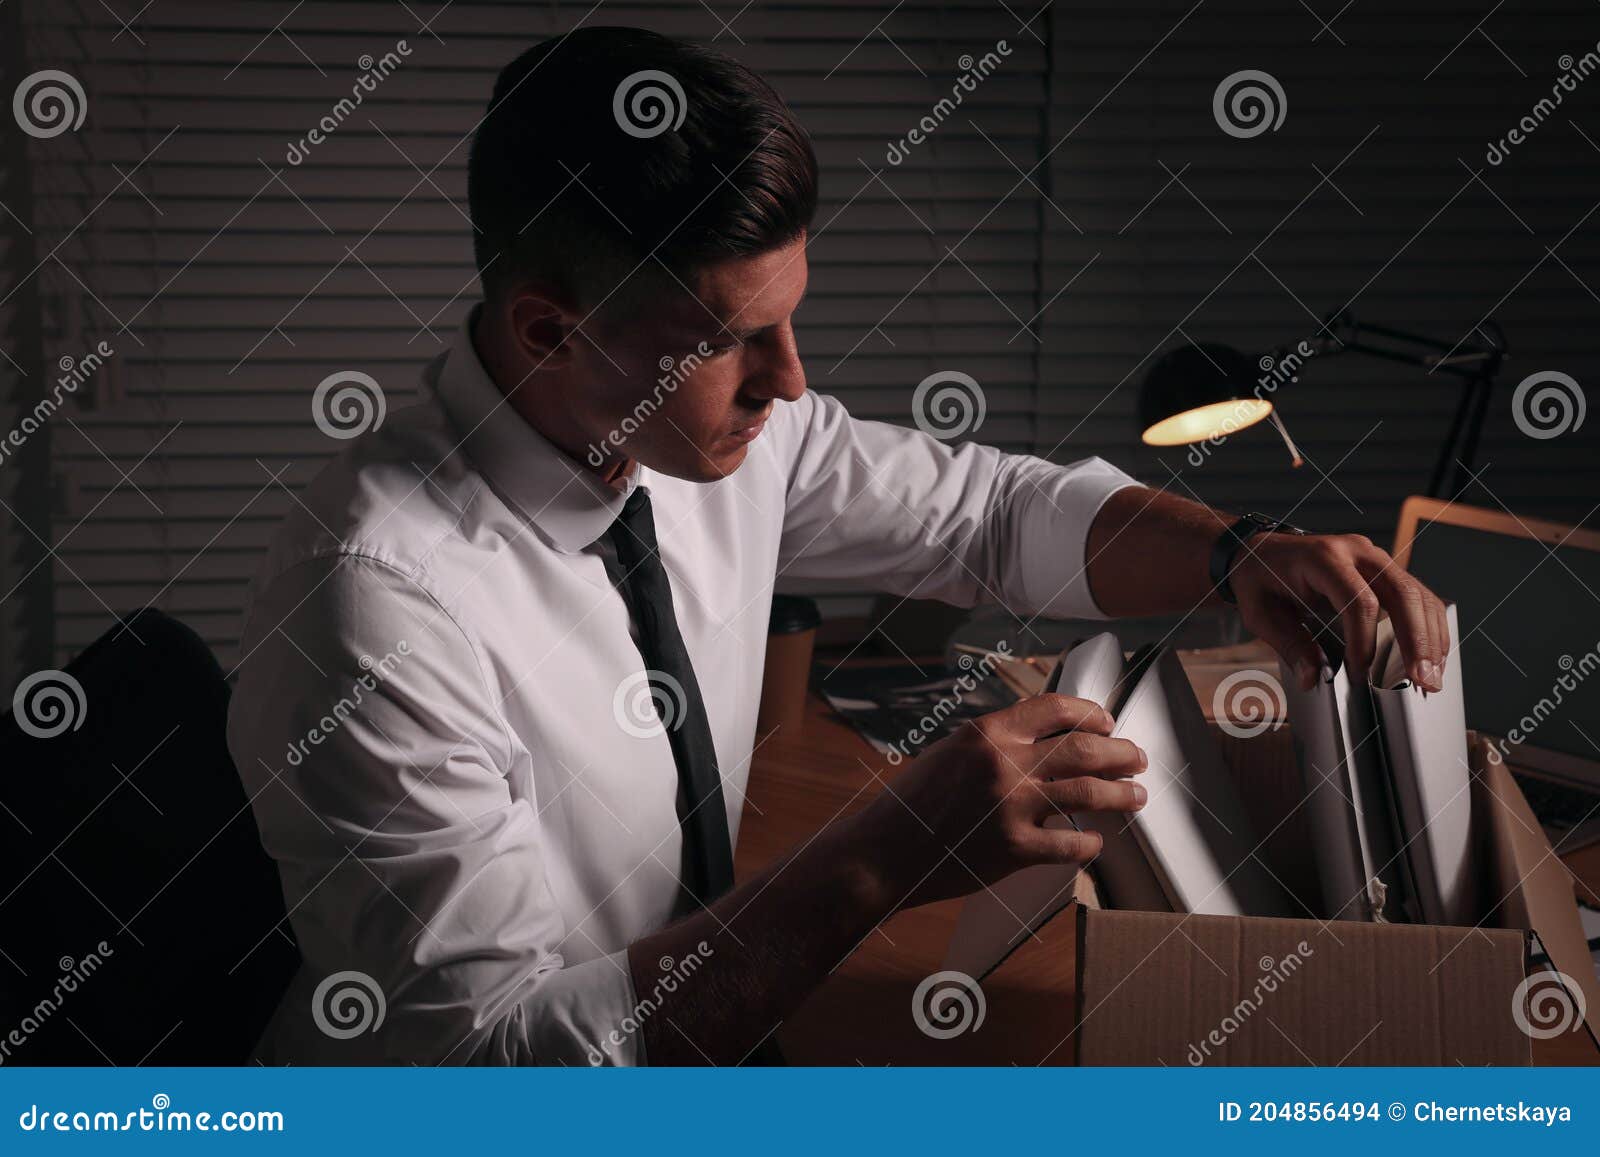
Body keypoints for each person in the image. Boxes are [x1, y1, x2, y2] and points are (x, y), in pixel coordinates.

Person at [228, 26, 1450, 1066]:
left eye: (790, 319)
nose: (791, 380)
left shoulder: (702, 434)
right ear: (551, 332)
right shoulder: (373, 607)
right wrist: (881, 857)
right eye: (731, 339)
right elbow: (487, 1065)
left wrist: (1235, 550)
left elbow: (989, 514)